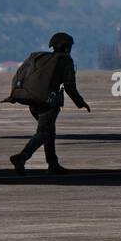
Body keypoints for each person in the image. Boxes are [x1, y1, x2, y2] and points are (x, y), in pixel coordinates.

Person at [10, 32, 89, 175]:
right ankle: (22, 157)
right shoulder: (65, 61)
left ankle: (53, 164)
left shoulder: (42, 59)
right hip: (48, 104)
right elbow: (70, 87)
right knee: (44, 133)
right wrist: (81, 102)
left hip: (33, 101)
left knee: (49, 133)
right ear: (66, 47)